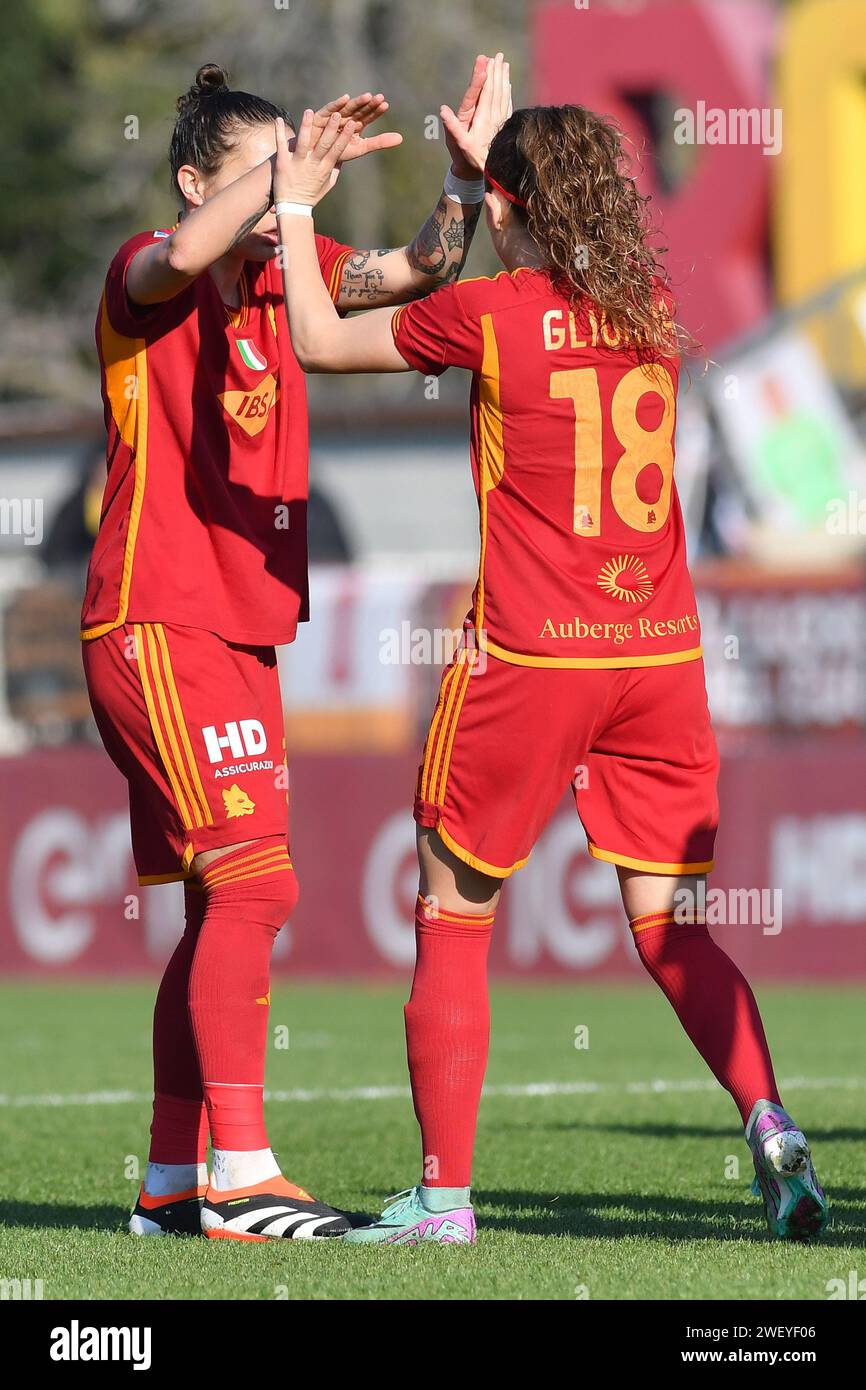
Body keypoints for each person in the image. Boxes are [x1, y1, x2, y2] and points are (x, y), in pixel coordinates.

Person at [270, 68, 829, 1245]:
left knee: (450, 908)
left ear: (514, 204)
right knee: (671, 925)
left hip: (534, 655)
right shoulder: (650, 321)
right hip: (659, 655)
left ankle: (442, 1202)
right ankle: (772, 1128)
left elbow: (314, 337)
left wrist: (299, 203)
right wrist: (487, 185)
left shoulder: (489, 315)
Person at [82, 57, 500, 1242]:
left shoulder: (293, 267)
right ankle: (244, 1175)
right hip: (155, 616)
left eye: (293, 171)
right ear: (193, 182)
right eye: (260, 172)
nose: (284, 196)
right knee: (259, 883)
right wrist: (276, 176)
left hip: (241, 626)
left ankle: (173, 1182)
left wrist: (460, 189)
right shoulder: (145, 275)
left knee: (221, 895)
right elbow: (176, 255)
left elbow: (420, 269)